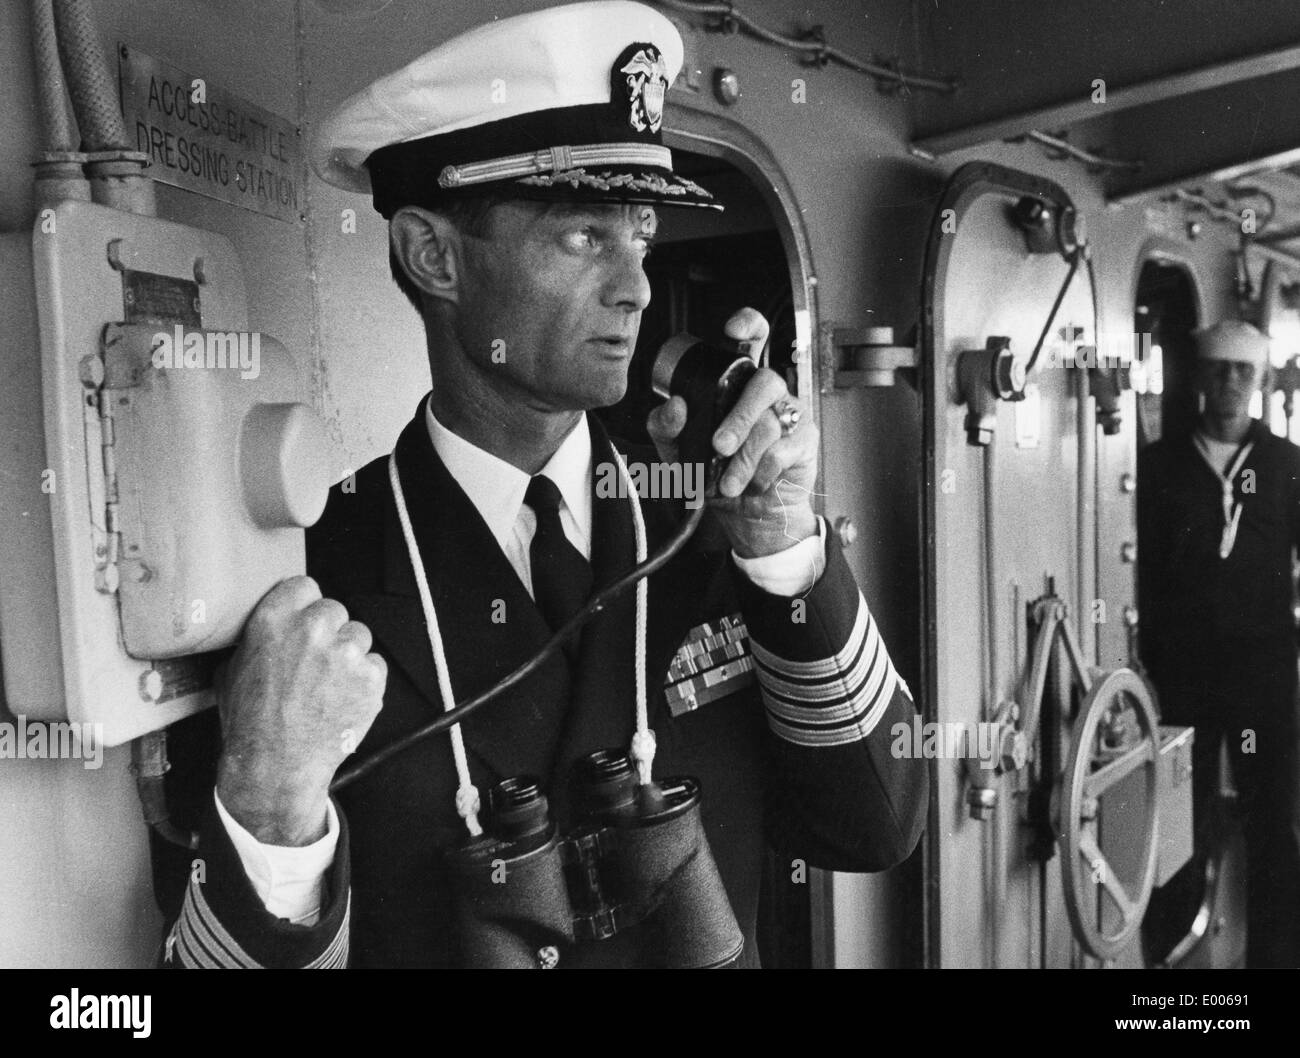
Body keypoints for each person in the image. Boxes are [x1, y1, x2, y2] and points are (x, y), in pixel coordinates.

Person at [156, 0, 928, 969]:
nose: (637, 284)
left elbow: (876, 825)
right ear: (433, 256)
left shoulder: (707, 513)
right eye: (580, 236)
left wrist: (784, 549)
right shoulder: (308, 580)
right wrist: (267, 809)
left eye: (638, 232)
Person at [1138, 318, 1300, 967]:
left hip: (1264, 673)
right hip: (1182, 674)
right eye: (1219, 370)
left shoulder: (1288, 465)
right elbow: (1140, 570)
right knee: (1179, 820)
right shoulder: (1159, 466)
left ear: (1260, 381)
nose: (1230, 382)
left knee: (1275, 822)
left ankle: (1276, 960)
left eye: (1243, 371)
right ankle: (1171, 963)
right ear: (1201, 378)